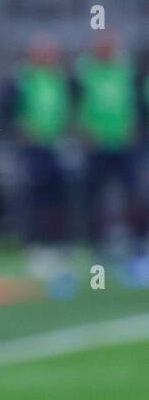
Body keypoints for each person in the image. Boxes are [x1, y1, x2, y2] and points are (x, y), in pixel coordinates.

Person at [75, 34, 145, 263]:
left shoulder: (127, 70)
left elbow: (137, 102)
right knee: (95, 196)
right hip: (97, 144)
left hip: (124, 142)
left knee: (132, 193)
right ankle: (97, 244)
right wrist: (84, 131)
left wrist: (136, 129)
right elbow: (75, 103)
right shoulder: (85, 72)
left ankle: (138, 241)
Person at [2, 35, 72, 262]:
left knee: (57, 196)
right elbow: (3, 109)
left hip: (56, 145)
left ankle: (58, 242)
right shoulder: (21, 78)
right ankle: (32, 242)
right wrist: (19, 128)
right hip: (31, 148)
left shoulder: (62, 78)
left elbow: (72, 105)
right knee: (32, 195)